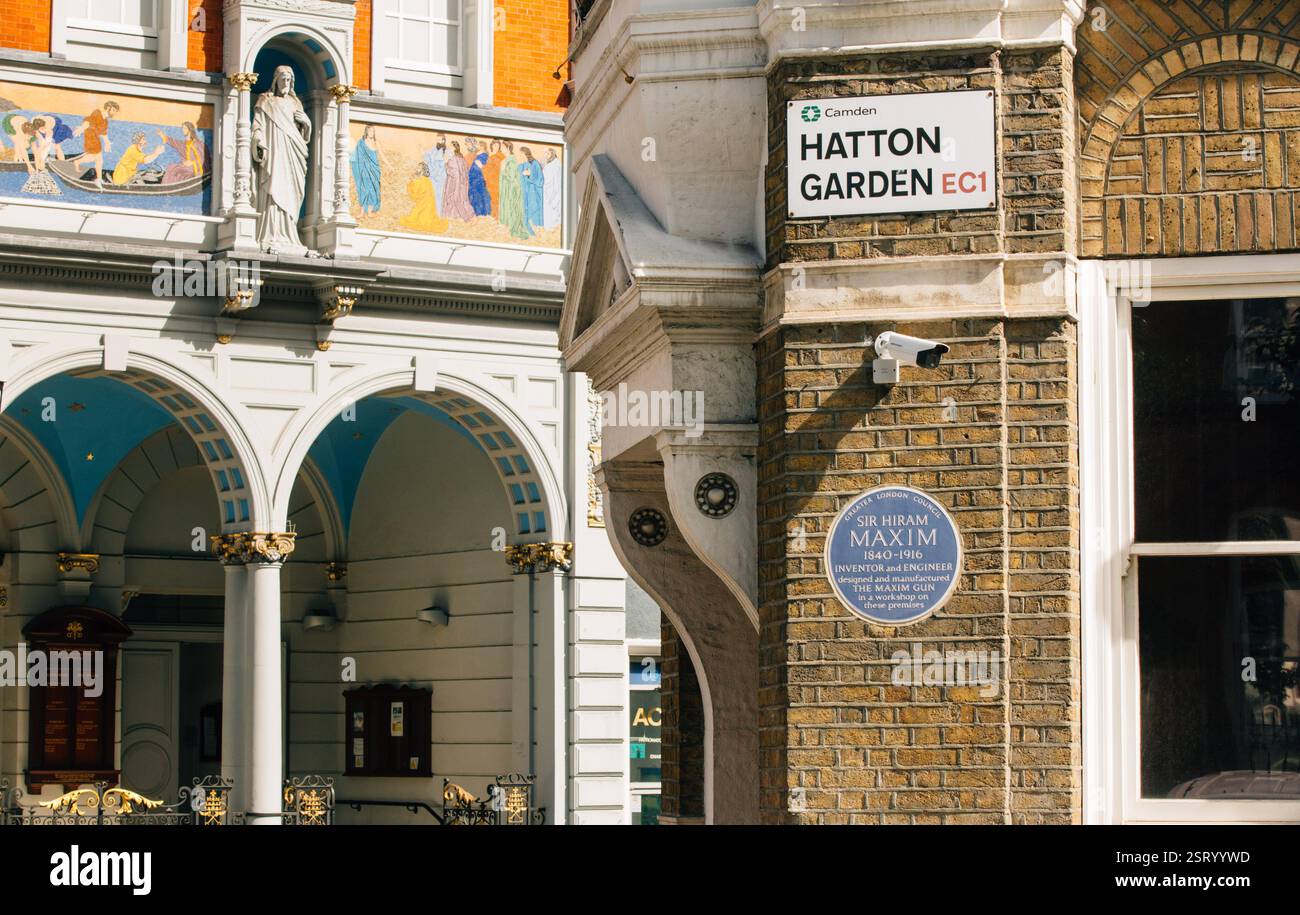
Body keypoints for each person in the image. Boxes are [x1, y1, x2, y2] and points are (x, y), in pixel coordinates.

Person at [252, 65, 312, 253]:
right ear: (276, 80)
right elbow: (257, 126)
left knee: (291, 190)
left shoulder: (296, 104)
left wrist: (307, 124)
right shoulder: (265, 100)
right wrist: (258, 141)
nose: (286, 83)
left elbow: (304, 135)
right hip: (275, 152)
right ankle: (271, 234)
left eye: (289, 80)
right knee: (273, 187)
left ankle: (290, 235)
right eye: (283, 79)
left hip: (292, 153)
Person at [71, 100, 119, 189]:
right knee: (96, 157)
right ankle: (78, 162)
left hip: (96, 138)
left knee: (98, 159)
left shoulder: (105, 120)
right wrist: (82, 128)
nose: (115, 113)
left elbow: (103, 133)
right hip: (90, 137)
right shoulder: (97, 113)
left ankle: (98, 178)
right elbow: (88, 122)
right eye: (114, 110)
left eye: (116, 111)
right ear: (108, 108)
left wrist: (107, 143)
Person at [399, 161, 448, 234]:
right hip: (424, 202)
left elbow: (416, 193)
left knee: (416, 219)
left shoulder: (423, 180)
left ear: (422, 170)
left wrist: (411, 183)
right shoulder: (423, 179)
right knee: (415, 216)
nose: (417, 169)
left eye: (419, 168)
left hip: (425, 204)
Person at [498, 140, 528, 240]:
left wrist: (504, 171)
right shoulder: (506, 160)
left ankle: (514, 229)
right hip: (506, 187)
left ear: (507, 148)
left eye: (502, 147)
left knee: (512, 208)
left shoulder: (511, 160)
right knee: (507, 207)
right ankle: (508, 227)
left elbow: (511, 176)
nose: (501, 149)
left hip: (512, 189)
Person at [441, 140, 475, 221]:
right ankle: (457, 216)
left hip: (454, 182)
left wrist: (446, 165)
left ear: (454, 148)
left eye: (450, 146)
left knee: (454, 199)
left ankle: (465, 217)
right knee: (461, 199)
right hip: (461, 183)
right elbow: (465, 171)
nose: (449, 147)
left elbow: (454, 172)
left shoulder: (453, 158)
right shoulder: (461, 158)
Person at [351, 124, 382, 214]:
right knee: (364, 188)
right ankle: (361, 212)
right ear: (366, 132)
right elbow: (356, 156)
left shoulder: (376, 143)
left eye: (373, 131)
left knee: (373, 189)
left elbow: (382, 155)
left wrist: (390, 165)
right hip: (363, 170)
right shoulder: (361, 143)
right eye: (369, 131)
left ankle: (369, 211)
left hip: (374, 170)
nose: (371, 133)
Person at [518, 146, 544, 235]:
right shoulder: (521, 165)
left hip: (533, 193)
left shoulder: (535, 163)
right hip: (524, 192)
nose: (520, 156)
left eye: (521, 154)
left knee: (532, 210)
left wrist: (530, 175)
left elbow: (540, 180)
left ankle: (534, 229)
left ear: (526, 154)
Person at [423, 134, 448, 216]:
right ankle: (431, 213)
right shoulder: (433, 150)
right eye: (437, 140)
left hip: (440, 176)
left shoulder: (447, 151)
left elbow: (445, 162)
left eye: (439, 140)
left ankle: (438, 214)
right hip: (432, 175)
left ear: (443, 141)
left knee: (439, 196)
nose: (438, 141)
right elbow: (427, 157)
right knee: (431, 194)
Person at [466, 138, 491, 217]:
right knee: (474, 196)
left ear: (482, 147)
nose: (476, 146)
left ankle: (481, 214)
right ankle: (477, 213)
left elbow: (481, 166)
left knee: (478, 197)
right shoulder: (477, 155)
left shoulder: (483, 155)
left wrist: (478, 163)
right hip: (474, 178)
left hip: (477, 179)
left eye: (478, 145)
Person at [483, 140, 504, 218]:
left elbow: (501, 168)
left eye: (497, 145)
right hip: (490, 181)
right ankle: (493, 215)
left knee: (496, 198)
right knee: (491, 198)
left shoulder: (500, 156)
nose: (496, 147)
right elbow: (486, 168)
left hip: (496, 180)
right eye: (494, 145)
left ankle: (497, 216)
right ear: (491, 146)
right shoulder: (490, 156)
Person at [542, 147, 562, 230]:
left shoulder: (556, 165)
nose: (546, 155)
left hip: (553, 191)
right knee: (548, 211)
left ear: (552, 154)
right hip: (547, 191)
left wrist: (554, 195)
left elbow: (557, 180)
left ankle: (553, 226)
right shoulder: (548, 165)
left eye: (548, 153)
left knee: (553, 211)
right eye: (545, 153)